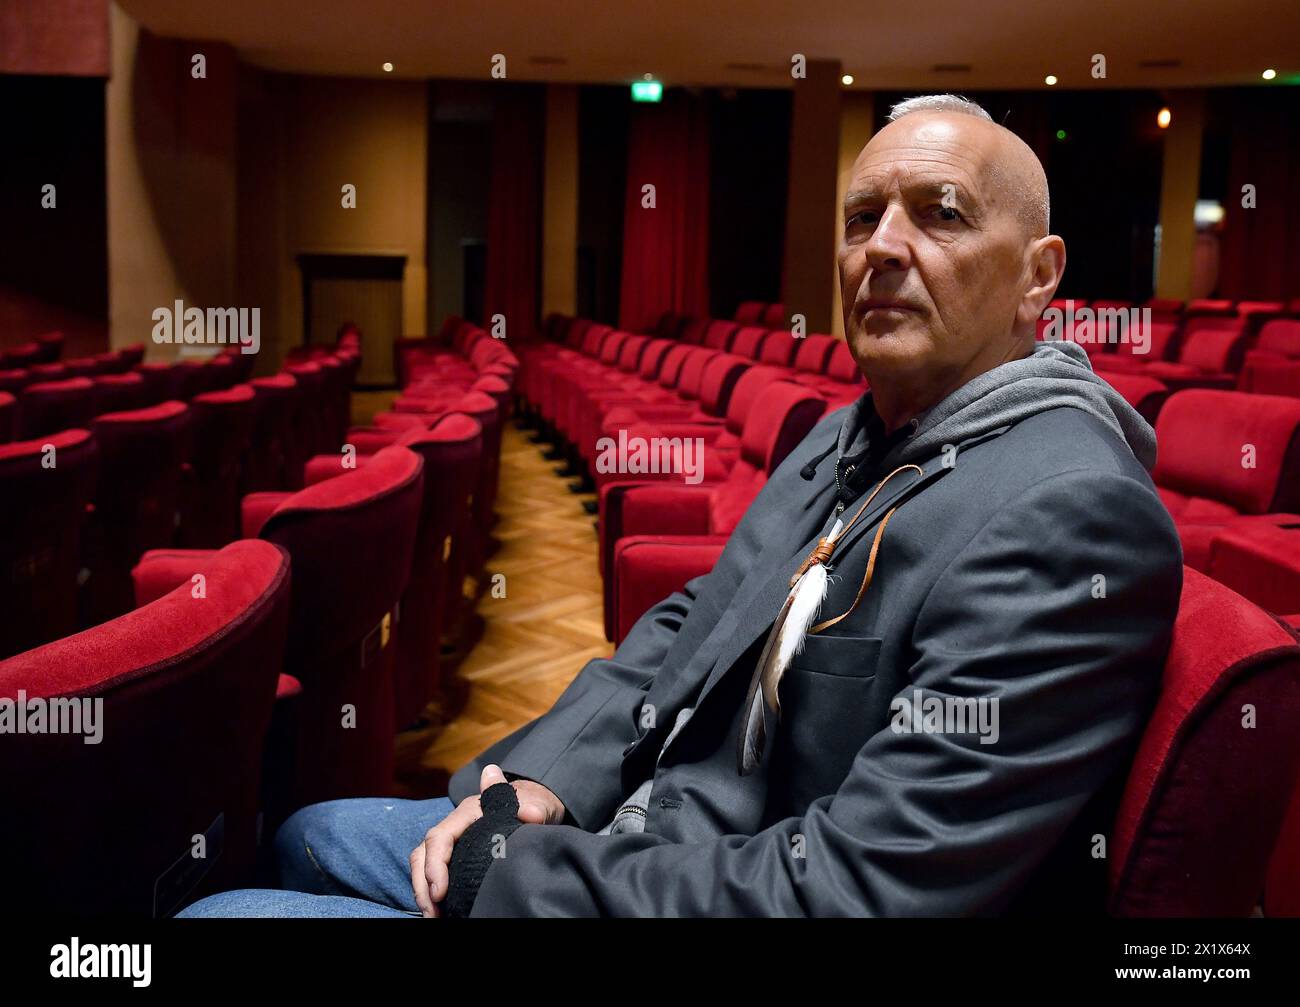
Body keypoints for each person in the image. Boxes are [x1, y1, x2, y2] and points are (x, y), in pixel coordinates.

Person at [182, 93, 1182, 918]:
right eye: (860, 216)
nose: (883, 245)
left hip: (731, 878)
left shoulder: (1069, 515)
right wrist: (555, 780)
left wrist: (522, 873)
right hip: (668, 824)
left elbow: (862, 889)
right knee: (308, 832)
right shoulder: (861, 427)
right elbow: (694, 620)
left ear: (1038, 275)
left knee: (216, 916)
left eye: (942, 213)